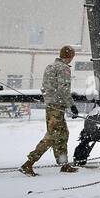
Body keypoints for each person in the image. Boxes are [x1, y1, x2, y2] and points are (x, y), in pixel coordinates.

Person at [19, 45, 79, 176]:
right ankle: (28, 163)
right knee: (53, 136)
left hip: (51, 105)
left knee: (63, 134)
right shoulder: (63, 68)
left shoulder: (50, 67)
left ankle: (64, 164)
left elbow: (45, 87)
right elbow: (63, 88)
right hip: (57, 106)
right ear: (70, 57)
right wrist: (71, 105)